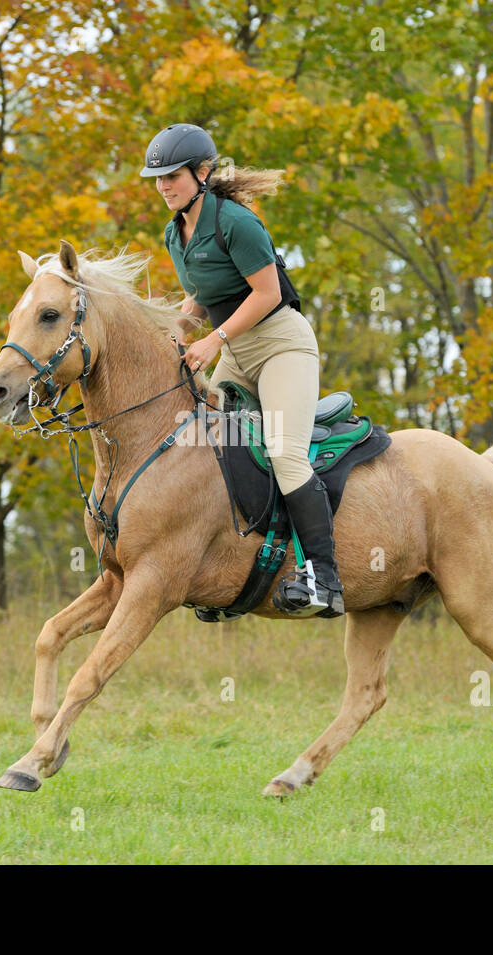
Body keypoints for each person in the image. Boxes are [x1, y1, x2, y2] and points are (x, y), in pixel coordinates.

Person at [140, 122, 344, 617]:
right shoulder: (174, 232)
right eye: (158, 178)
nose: (164, 185)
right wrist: (178, 328)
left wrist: (214, 338)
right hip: (235, 348)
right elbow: (201, 297)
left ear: (202, 172)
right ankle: (226, 571)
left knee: (284, 451)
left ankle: (324, 578)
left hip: (279, 345)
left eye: (173, 175)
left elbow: (268, 294)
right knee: (207, 445)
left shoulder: (236, 221)